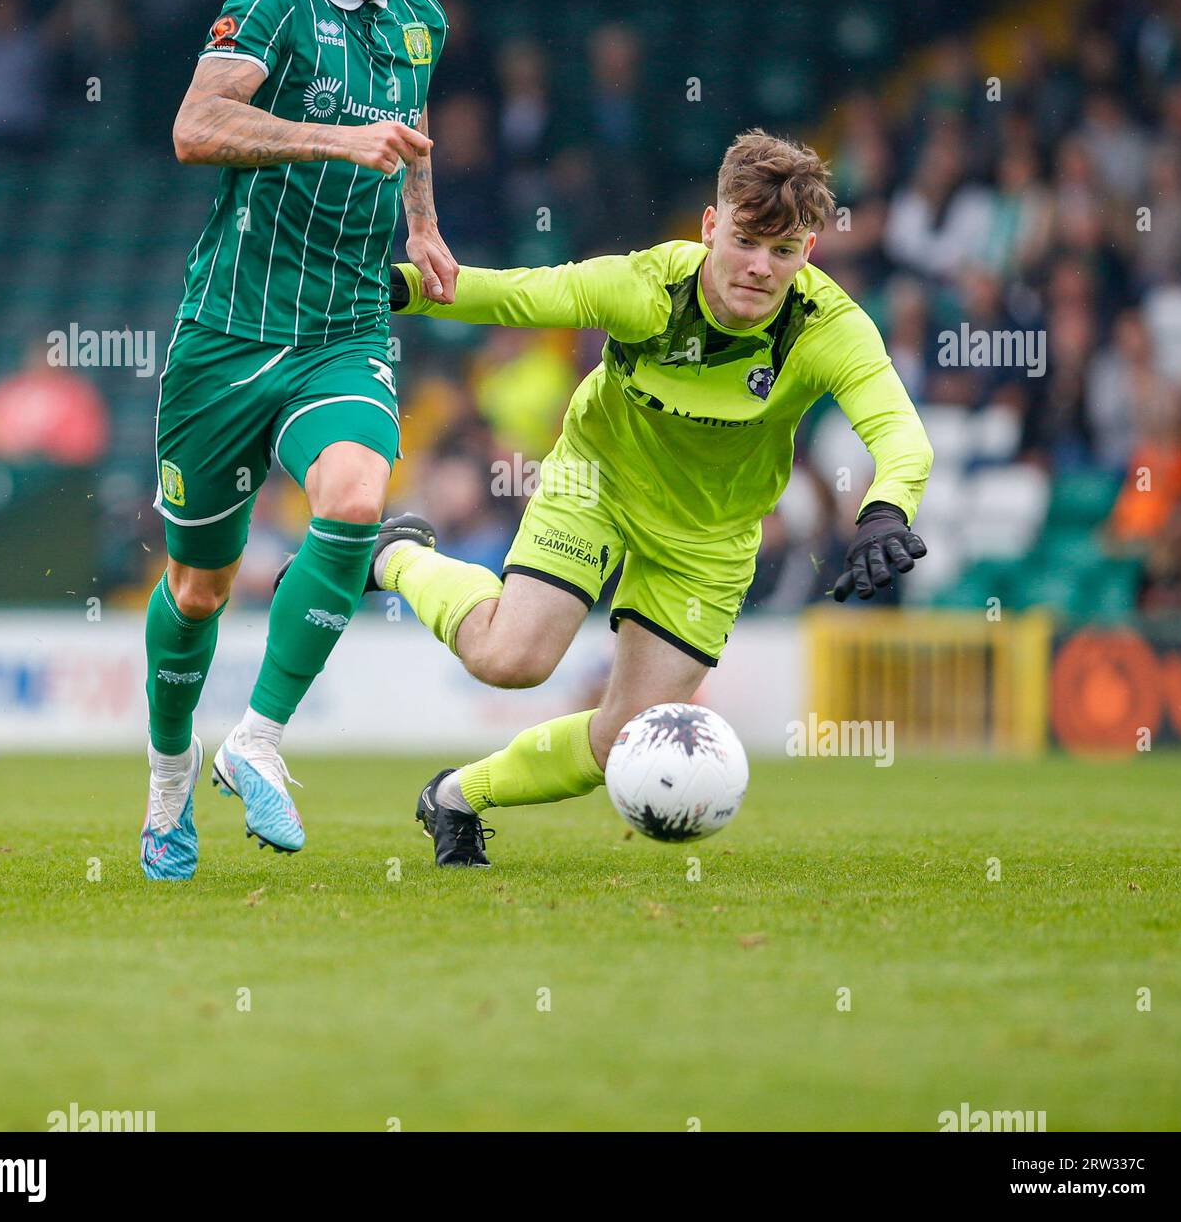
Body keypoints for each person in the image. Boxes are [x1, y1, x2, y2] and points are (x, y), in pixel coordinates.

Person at [377, 129, 932, 866]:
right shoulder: (648, 290)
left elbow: (901, 435)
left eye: (785, 251)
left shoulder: (826, 328)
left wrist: (885, 510)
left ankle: (455, 798)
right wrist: (398, 288)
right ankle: (397, 554)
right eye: (745, 241)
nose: (761, 269)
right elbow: (519, 296)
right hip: (596, 482)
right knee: (512, 659)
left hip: (709, 536)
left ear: (809, 254)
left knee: (620, 741)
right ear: (709, 227)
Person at [140, 0, 457, 880]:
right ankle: (168, 788)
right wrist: (333, 139)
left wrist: (421, 226)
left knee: (358, 499)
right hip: (228, 335)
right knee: (197, 587)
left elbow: (407, 132)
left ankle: (257, 739)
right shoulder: (271, 3)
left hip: (344, 331)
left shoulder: (421, 23)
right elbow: (196, 126)